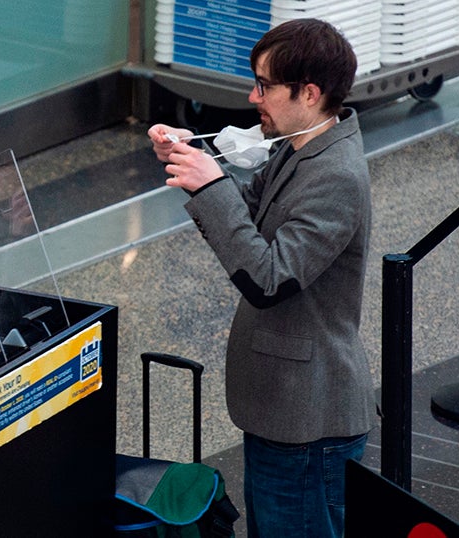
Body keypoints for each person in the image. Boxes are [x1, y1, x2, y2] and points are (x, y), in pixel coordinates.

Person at [147, 19, 376, 538]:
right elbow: (250, 216)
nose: (253, 97)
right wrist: (197, 165)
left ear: (310, 93)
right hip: (284, 408)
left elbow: (269, 280)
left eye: (265, 85)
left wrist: (211, 187)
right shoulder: (302, 147)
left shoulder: (336, 174)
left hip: (309, 420)